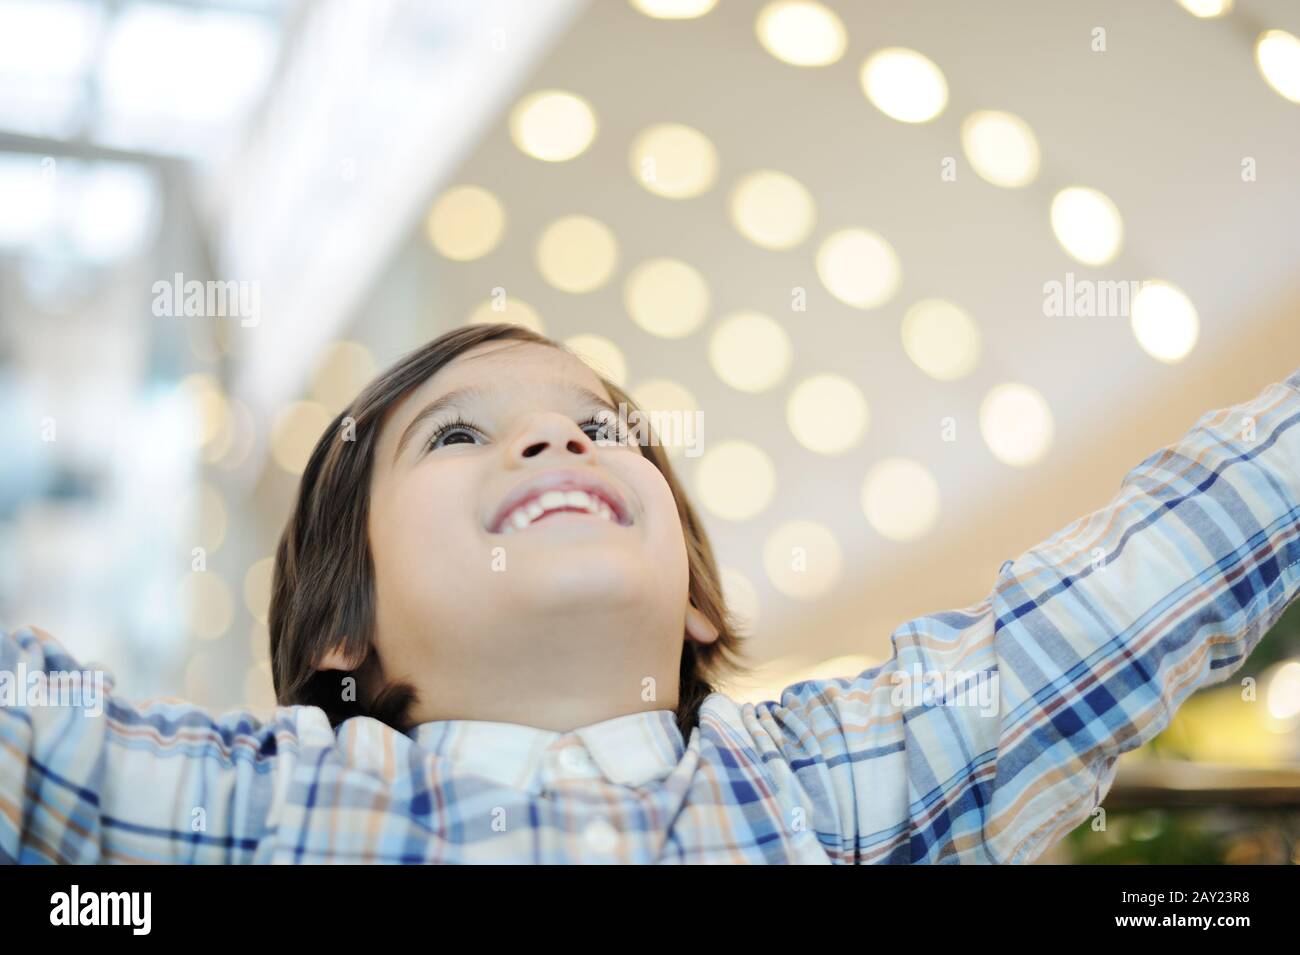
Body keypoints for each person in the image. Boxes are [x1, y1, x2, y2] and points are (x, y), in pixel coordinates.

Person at [3, 322, 1298, 863]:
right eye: (456, 437)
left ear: (689, 599)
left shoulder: (835, 780)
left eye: (606, 430)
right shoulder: (261, 802)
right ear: (344, 626)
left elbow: (1148, 577)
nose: (560, 443)